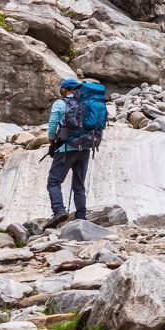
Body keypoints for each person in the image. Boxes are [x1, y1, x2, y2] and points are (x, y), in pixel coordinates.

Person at [45, 78, 103, 225]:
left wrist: (52, 142)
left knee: (54, 181)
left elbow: (52, 126)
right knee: (79, 184)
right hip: (85, 147)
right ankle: (81, 216)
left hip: (66, 148)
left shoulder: (61, 103)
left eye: (61, 88)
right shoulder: (87, 103)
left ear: (65, 89)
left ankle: (59, 211)